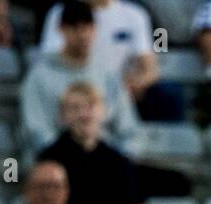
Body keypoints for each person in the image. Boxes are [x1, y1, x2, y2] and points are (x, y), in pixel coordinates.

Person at [38, 82, 186, 204]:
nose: (84, 114)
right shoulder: (51, 159)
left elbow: (133, 202)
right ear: (63, 116)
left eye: (90, 107)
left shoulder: (118, 160)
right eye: (75, 108)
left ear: (103, 112)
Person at [21, 0, 142, 156]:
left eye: (88, 27)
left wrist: (121, 160)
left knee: (173, 180)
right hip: (59, 159)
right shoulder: (40, 76)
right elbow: (36, 131)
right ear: (61, 30)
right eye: (75, 28)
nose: (83, 35)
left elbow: (129, 129)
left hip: (104, 159)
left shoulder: (108, 75)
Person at [39, 0, 184, 121]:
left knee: (168, 94)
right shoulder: (60, 12)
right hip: (73, 90)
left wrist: (133, 85)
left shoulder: (135, 14)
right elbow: (53, 64)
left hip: (121, 91)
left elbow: (150, 70)